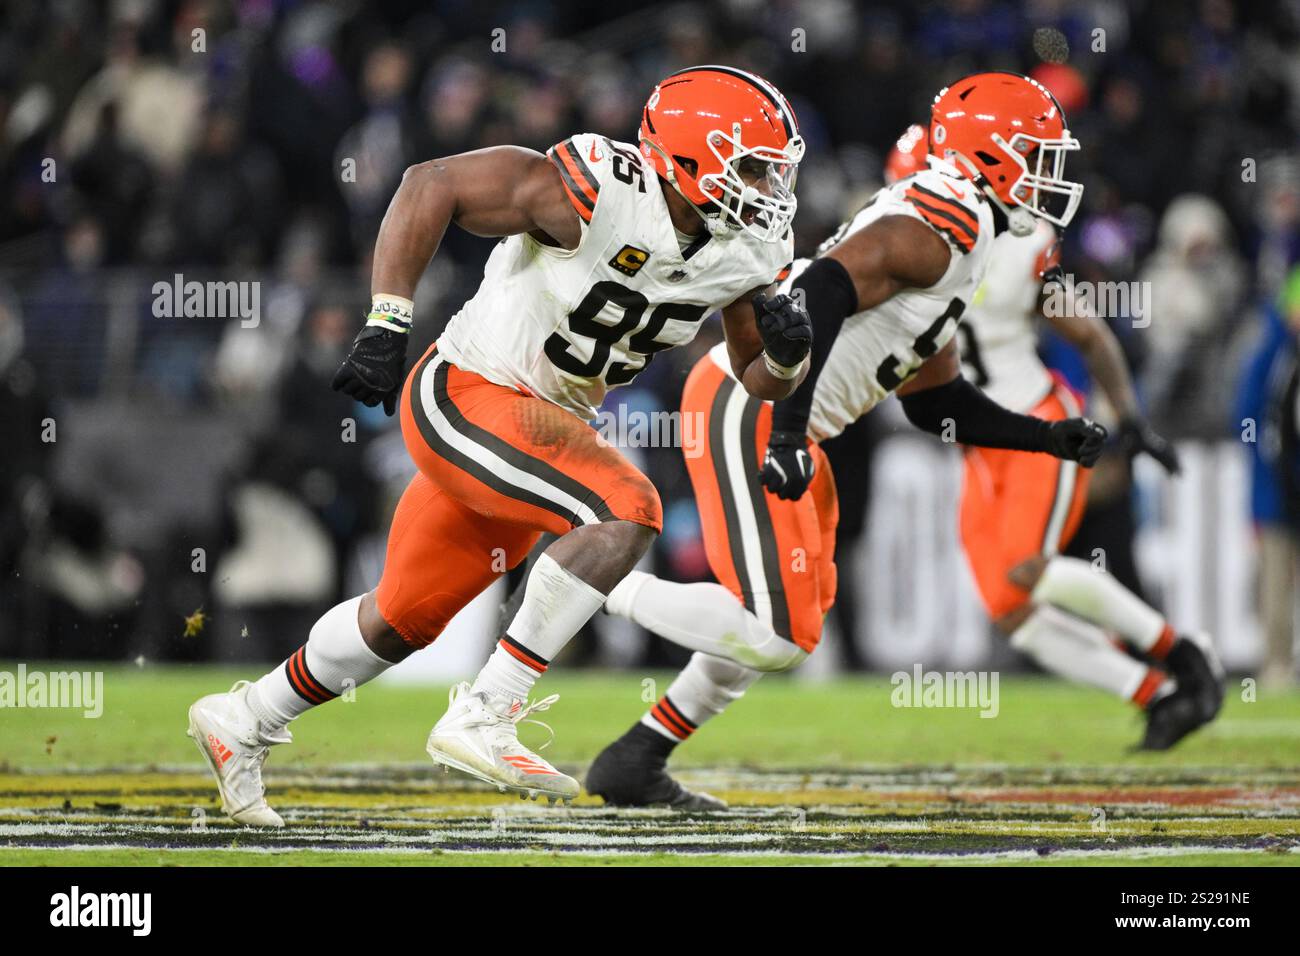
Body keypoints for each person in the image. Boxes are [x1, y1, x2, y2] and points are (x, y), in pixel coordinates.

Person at [187, 66, 813, 825]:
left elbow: (758, 373)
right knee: (626, 507)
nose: (768, 185)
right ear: (686, 154)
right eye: (751, 164)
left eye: (773, 167)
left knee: (400, 620)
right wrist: (387, 322)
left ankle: (244, 718)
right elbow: (430, 183)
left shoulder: (749, 247)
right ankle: (488, 709)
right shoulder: (601, 189)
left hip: (543, 433)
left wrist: (785, 355)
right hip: (469, 394)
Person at [590, 73, 1115, 809]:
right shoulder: (948, 218)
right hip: (755, 403)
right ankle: (598, 582)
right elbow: (820, 293)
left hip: (788, 416)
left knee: (791, 620)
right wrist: (790, 429)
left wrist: (1044, 437)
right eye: (1033, 153)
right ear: (988, 155)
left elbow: (933, 402)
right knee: (774, 633)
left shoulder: (964, 240)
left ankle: (638, 757)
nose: (1047, 174)